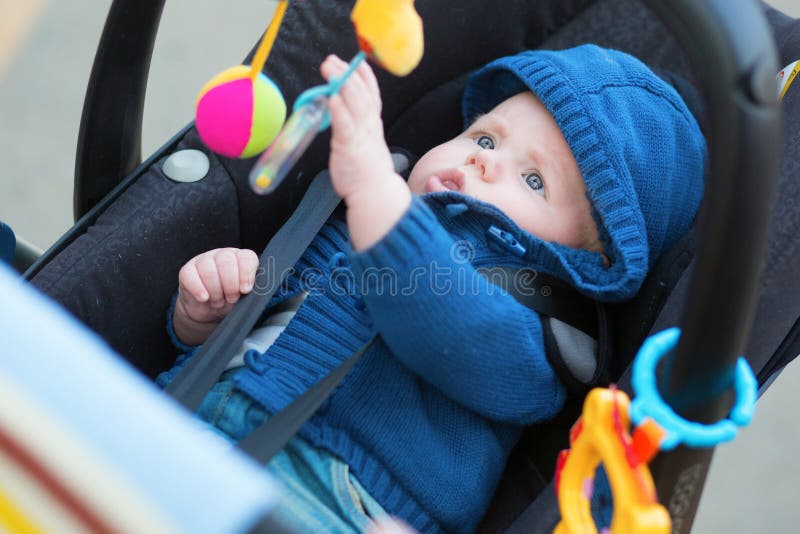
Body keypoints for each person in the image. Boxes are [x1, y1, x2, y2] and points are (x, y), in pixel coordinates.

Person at [158, 45, 706, 533]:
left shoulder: (539, 332)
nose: (483, 159)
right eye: (485, 136)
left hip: (334, 497)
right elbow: (254, 330)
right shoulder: (357, 210)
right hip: (194, 413)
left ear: (590, 262)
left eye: (534, 180)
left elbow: (440, 323)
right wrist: (203, 317)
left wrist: (375, 189)